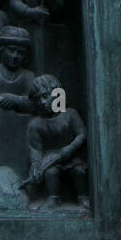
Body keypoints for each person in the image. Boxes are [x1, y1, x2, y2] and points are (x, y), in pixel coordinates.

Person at [23, 74, 89, 208]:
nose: (42, 102)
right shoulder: (35, 125)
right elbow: (36, 148)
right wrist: (35, 165)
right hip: (51, 160)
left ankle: (83, 197)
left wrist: (70, 149)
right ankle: (54, 198)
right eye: (38, 99)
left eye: (45, 96)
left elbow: (82, 134)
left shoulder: (70, 114)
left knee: (79, 172)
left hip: (70, 156)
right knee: (50, 173)